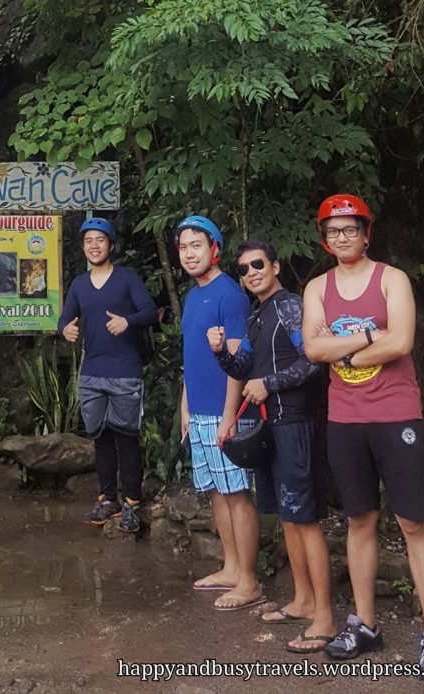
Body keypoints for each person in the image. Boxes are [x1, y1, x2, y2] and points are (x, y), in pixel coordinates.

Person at [302, 194, 424, 679]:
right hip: (345, 419)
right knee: (359, 519)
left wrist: (341, 352)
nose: (341, 237)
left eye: (350, 229)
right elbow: (311, 348)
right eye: (333, 230)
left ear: (367, 233)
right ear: (324, 239)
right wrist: (371, 337)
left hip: (396, 414)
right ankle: (365, 624)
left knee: (413, 523)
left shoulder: (392, 279)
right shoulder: (316, 288)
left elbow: (402, 341)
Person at [206, 239, 333, 652]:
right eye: (242, 269)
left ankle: (323, 615)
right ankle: (302, 600)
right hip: (270, 427)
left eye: (257, 264)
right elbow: (244, 369)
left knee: (305, 517)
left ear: (275, 266)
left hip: (295, 423)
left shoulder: (290, 306)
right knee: (288, 518)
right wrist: (221, 352)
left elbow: (314, 359)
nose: (251, 273)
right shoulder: (259, 315)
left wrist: (270, 385)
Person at [176, 215, 263, 611]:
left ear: (214, 249)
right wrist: (185, 406)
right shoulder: (194, 296)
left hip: (227, 411)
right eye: (183, 246)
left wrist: (229, 416)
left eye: (196, 244)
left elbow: (239, 359)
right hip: (200, 411)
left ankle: (249, 581)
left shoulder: (230, 293)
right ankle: (230, 568)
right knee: (216, 492)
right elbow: (191, 357)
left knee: (237, 495)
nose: (189, 253)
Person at [56, 217, 157, 533]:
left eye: (100, 240)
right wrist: (66, 329)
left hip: (125, 372)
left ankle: (131, 503)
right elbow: (64, 319)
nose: (94, 245)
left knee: (127, 438)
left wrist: (128, 321)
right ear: (83, 247)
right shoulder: (79, 284)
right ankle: (106, 498)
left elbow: (150, 312)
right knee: (100, 439)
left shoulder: (127, 279)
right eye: (88, 241)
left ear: (111, 245)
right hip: (92, 373)